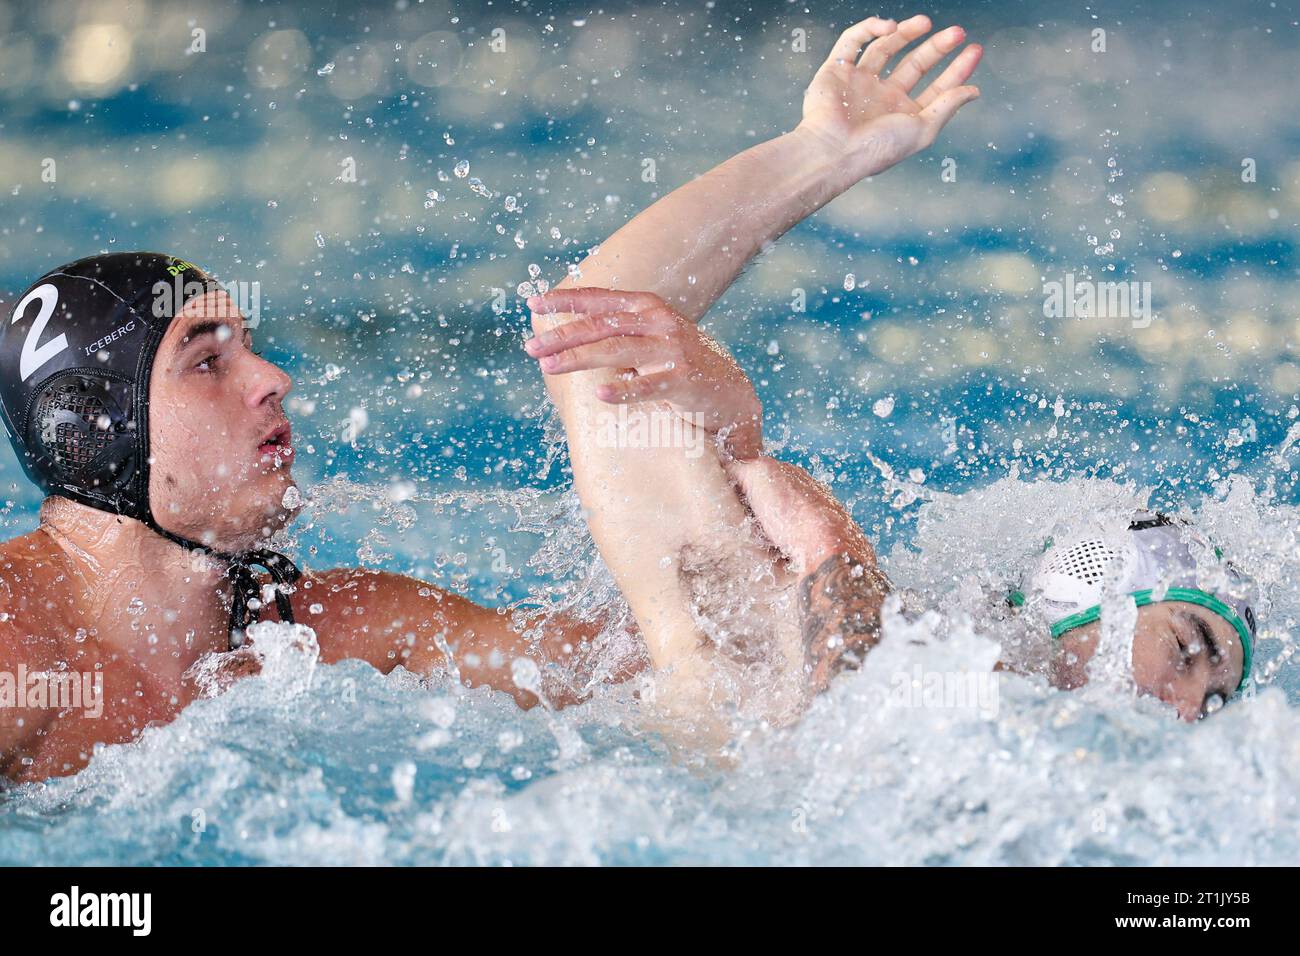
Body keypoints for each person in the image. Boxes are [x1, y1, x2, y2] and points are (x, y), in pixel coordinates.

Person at [0, 14, 984, 780]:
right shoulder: (16, 643)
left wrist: (745, 457)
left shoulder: (323, 633)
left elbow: (699, 680)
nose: (273, 378)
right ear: (90, 431)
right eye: (206, 359)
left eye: (250, 345)